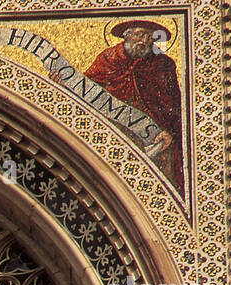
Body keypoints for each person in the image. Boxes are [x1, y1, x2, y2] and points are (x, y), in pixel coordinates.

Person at [79, 20, 185, 198]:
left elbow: (174, 106)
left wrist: (170, 132)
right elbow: (86, 90)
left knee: (160, 188)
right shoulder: (108, 58)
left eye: (149, 37)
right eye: (140, 34)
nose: (144, 40)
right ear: (127, 35)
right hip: (114, 135)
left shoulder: (162, 65)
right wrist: (63, 84)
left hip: (155, 140)